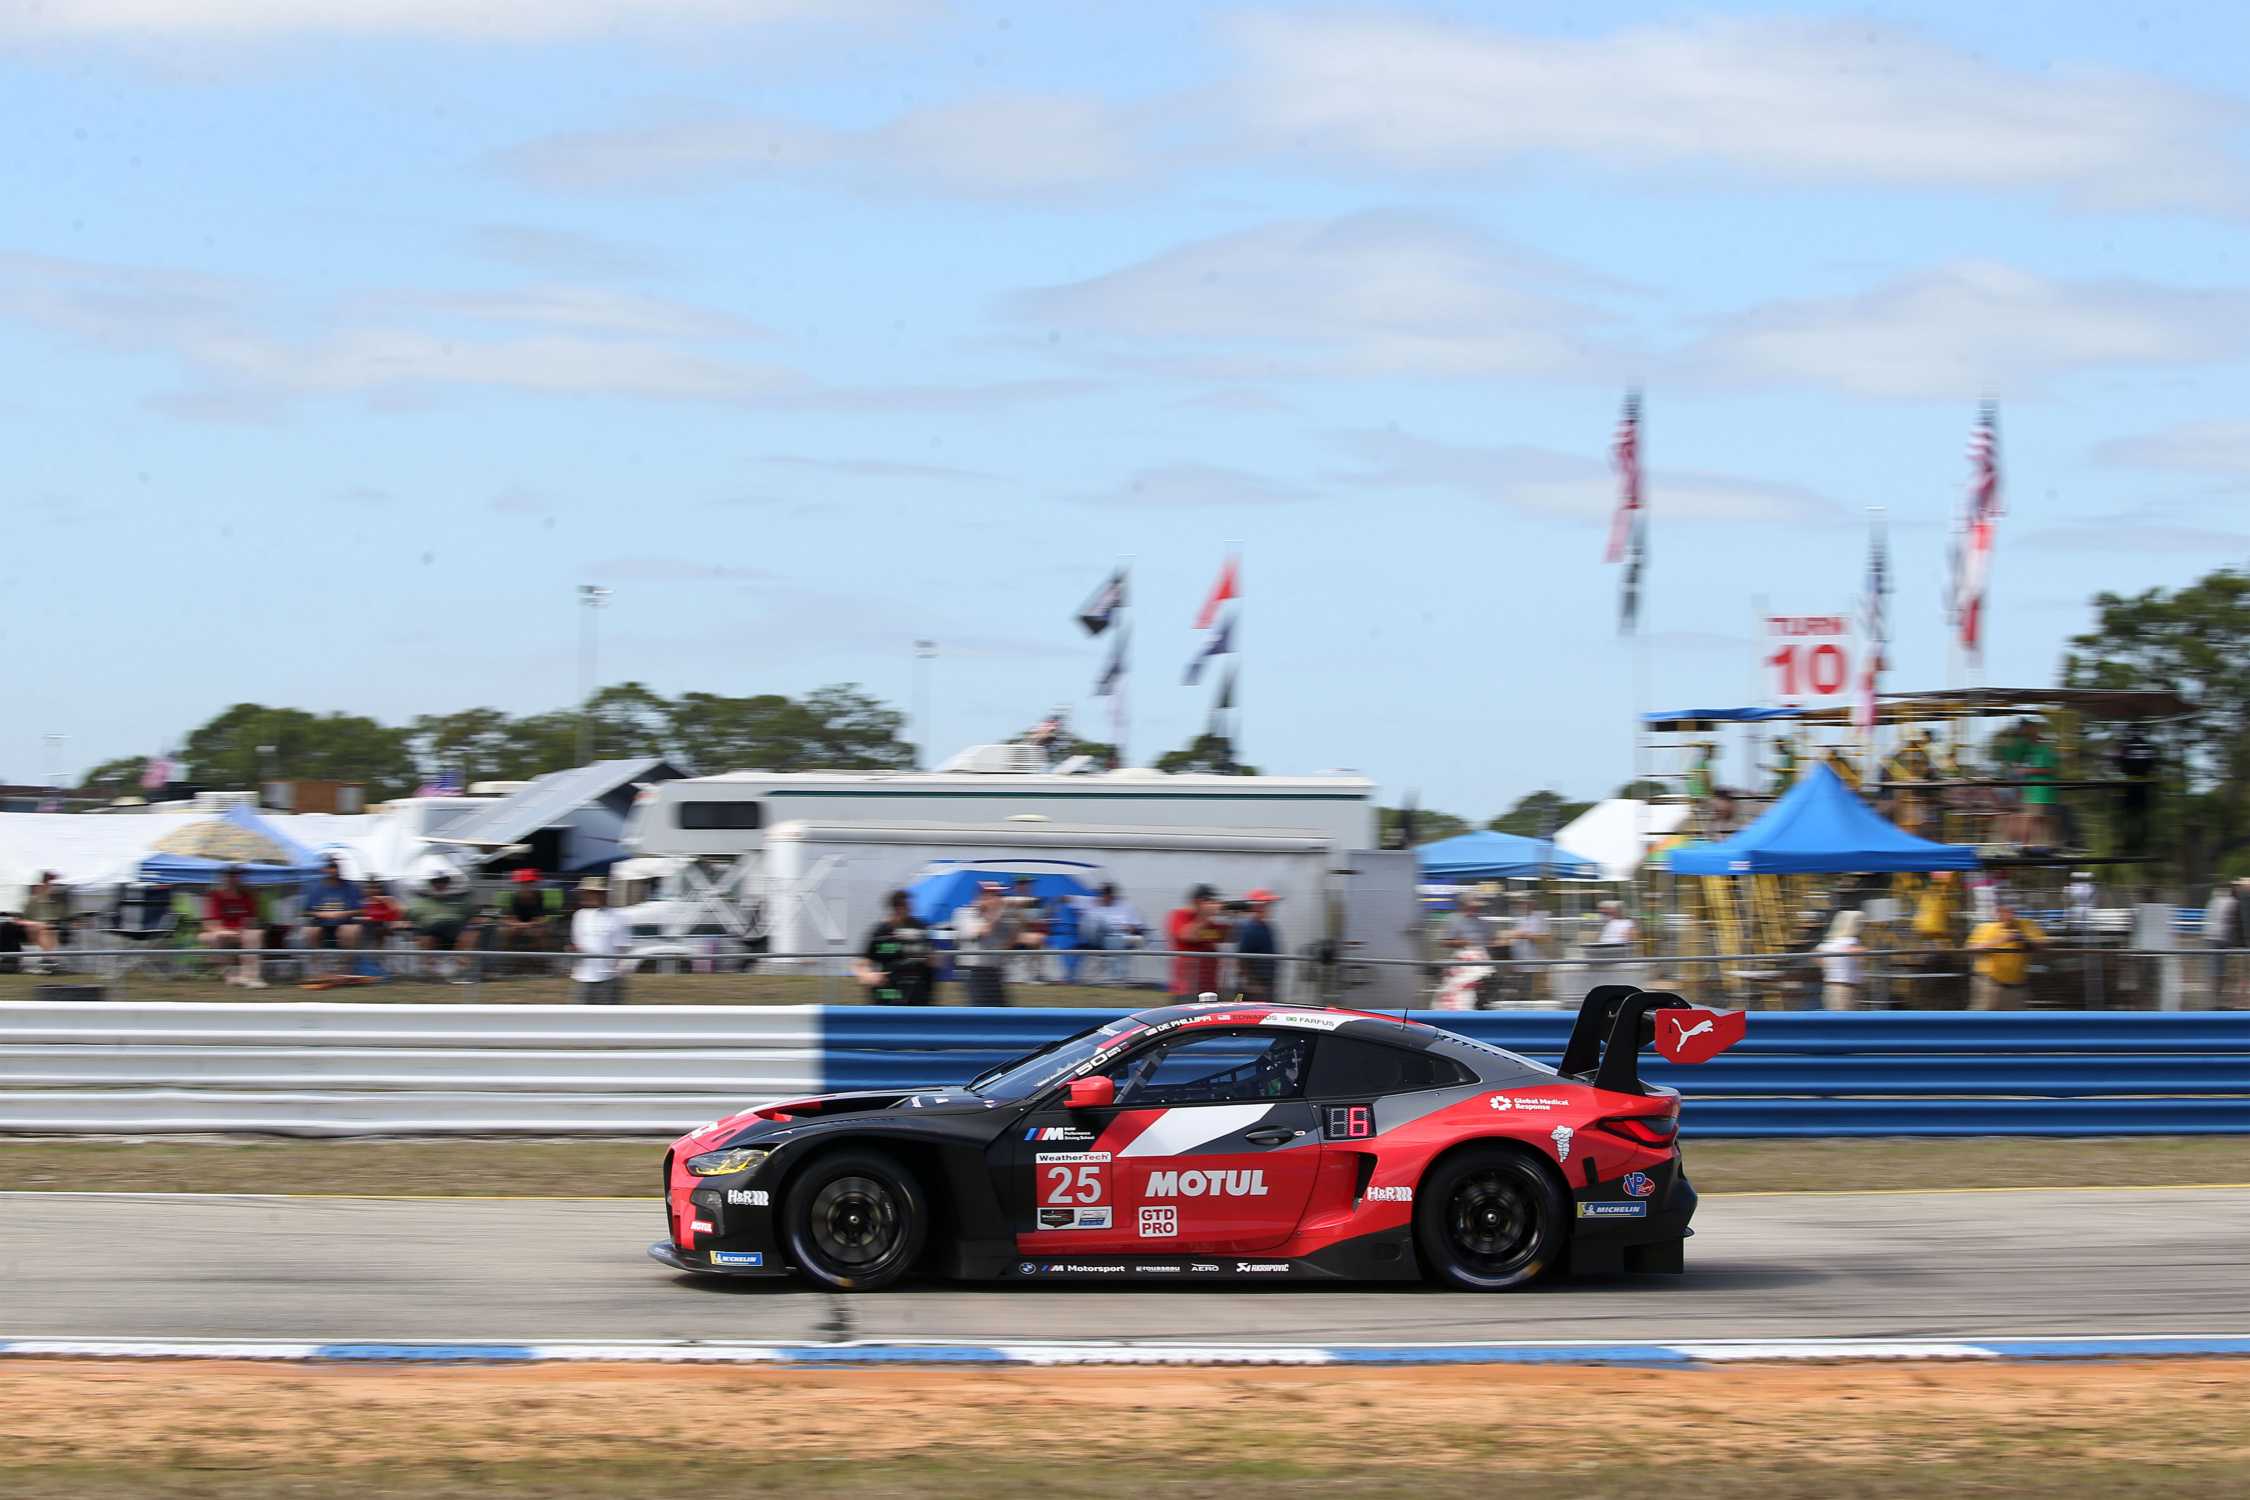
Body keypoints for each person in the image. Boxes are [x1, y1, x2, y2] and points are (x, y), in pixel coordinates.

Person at [858, 890, 935, 1005]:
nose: (910, 910)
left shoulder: (920, 927)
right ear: (896, 908)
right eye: (907, 906)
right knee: (890, 1010)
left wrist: (932, 959)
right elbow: (862, 963)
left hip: (918, 991)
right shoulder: (881, 932)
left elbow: (932, 957)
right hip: (889, 990)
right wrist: (868, 975)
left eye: (910, 906)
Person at [1967, 902, 2047, 1010]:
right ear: (1997, 912)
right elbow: (1971, 948)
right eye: (2004, 911)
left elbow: (2042, 946)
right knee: (1982, 1019)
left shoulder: (2026, 925)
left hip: (2016, 988)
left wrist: (2023, 938)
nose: (2009, 915)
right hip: (1988, 986)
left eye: (2011, 911)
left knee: (2015, 1019)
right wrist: (2002, 940)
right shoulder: (1985, 928)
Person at [201, 865, 266, 989]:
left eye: (235, 875)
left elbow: (252, 920)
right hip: (219, 931)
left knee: (254, 934)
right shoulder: (214, 895)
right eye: (229, 875)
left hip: (242, 931)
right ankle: (230, 975)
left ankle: (251, 976)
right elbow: (210, 924)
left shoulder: (247, 896)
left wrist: (242, 929)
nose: (232, 878)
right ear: (222, 877)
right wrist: (223, 931)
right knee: (213, 937)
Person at [951, 882, 1016, 1005]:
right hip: (972, 970)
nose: (998, 898)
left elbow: (1011, 941)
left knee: (1001, 1009)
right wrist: (995, 913)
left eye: (998, 895)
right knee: (979, 1007)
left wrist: (1017, 913)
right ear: (982, 896)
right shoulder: (965, 913)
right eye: (994, 895)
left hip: (993, 970)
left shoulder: (1000, 917)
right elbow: (980, 933)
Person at [409, 872, 481, 979]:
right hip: (430, 930)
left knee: (470, 933)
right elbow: (413, 917)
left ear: (448, 882)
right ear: (431, 883)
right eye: (435, 881)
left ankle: (463, 968)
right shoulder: (421, 900)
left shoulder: (461, 898)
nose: (440, 884)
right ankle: (429, 969)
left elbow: (472, 917)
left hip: (456, 929)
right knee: (425, 937)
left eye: (444, 881)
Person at [568, 877, 626, 1005]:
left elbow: (622, 947)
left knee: (608, 1014)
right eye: (584, 893)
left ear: (602, 894)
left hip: (608, 978)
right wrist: (573, 951)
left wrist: (617, 973)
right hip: (582, 976)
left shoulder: (617, 916)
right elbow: (576, 943)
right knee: (579, 1013)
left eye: (588, 893)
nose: (584, 896)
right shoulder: (579, 915)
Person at [1165, 884, 1228, 1001]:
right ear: (1197, 902)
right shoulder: (1179, 915)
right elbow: (1187, 935)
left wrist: (1232, 915)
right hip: (1187, 989)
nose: (1214, 905)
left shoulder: (1209, 923)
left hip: (1210, 989)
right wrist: (1204, 915)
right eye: (1209, 901)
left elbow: (1226, 937)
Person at [1079, 883, 1145, 987]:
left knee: (1116, 940)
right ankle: (1118, 978)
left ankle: (1118, 978)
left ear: (1112, 896)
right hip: (1098, 938)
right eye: (1101, 896)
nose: (1103, 898)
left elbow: (1138, 928)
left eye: (1105, 896)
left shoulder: (1127, 907)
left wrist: (1129, 928)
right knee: (1098, 923)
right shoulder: (1094, 908)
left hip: (1122, 937)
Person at [301, 858, 364, 964]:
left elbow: (360, 910)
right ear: (324, 869)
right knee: (310, 931)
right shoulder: (314, 887)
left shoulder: (351, 887)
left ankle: (348, 963)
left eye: (335, 867)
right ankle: (317, 963)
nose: (333, 870)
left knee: (350, 931)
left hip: (345, 922)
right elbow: (305, 911)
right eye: (330, 867)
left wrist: (343, 913)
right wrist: (320, 914)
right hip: (320, 923)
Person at [2115, 728, 2158, 856]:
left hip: (2130, 784)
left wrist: (2127, 770)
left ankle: (2128, 844)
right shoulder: (2148, 746)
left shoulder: (2126, 746)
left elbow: (2121, 763)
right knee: (2143, 816)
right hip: (2144, 783)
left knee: (2128, 815)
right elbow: (2152, 763)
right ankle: (2143, 845)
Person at [1233, 889, 1281, 1003]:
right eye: (1267, 905)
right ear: (1258, 907)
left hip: (1264, 986)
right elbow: (1241, 959)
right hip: (1254, 989)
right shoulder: (1250, 929)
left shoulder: (1265, 927)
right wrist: (1252, 985)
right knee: (1242, 1008)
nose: (1269, 909)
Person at [17, 871, 69, 973]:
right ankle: (48, 959)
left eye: (55, 885)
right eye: (50, 884)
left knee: (50, 929)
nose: (53, 887)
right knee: (46, 930)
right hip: (33, 930)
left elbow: (65, 918)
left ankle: (49, 959)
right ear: (43, 884)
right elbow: (19, 920)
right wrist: (36, 924)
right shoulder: (33, 901)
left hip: (51, 930)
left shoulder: (59, 902)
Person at [1816, 909, 1866, 1011]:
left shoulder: (1831, 941)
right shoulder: (1850, 940)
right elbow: (1854, 951)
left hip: (1830, 986)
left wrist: (1828, 968)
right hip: (1846, 988)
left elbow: (1817, 952)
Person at [499, 869, 553, 955]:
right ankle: (507, 955)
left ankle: (541, 956)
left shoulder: (539, 896)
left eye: (530, 883)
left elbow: (542, 918)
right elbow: (506, 919)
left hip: (533, 927)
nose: (527, 885)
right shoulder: (514, 897)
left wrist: (529, 925)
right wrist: (517, 925)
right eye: (524, 883)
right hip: (517, 927)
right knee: (504, 930)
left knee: (541, 932)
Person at [2205, 881, 2241, 1003]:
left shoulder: (2214, 900)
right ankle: (2218, 993)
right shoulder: (2233, 902)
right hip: (2223, 937)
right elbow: (2232, 920)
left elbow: (2210, 917)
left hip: (2212, 936)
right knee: (2221, 966)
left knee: (2215, 966)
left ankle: (2215, 993)